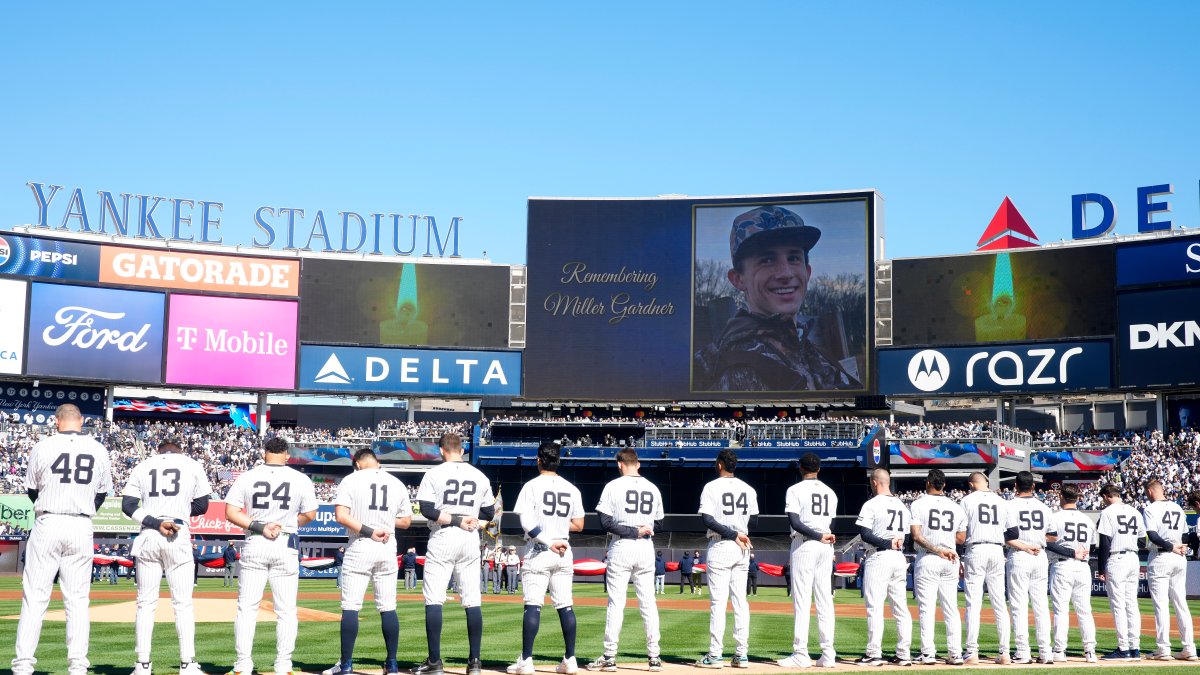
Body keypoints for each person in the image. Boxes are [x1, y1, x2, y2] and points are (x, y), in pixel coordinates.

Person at [696, 204, 859, 391]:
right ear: (739, 279)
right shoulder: (740, 364)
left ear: (807, 272)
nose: (785, 273)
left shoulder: (810, 351)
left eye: (793, 258)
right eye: (767, 260)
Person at [11, 403, 113, 675]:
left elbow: (32, 490)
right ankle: (78, 666)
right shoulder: (98, 449)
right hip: (80, 523)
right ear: (81, 420)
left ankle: (23, 666)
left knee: (35, 598)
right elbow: (101, 495)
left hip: (49, 520)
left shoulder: (42, 446)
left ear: (57, 421)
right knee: (78, 600)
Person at [223, 436, 319, 675]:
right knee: (286, 610)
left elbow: (230, 512)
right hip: (285, 541)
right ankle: (283, 665)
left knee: (247, 608)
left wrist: (260, 526)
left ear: (264, 453)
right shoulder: (300, 478)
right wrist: (285, 523)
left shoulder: (248, 476)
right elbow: (310, 514)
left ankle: (243, 665)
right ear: (287, 455)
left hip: (256, 540)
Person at [120, 438, 213, 675]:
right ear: (179, 450)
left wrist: (157, 521)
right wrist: (177, 512)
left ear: (159, 451)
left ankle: (142, 665)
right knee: (182, 604)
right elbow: (202, 506)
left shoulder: (143, 465)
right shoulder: (191, 464)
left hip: (149, 532)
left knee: (145, 604)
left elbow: (128, 506)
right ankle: (187, 664)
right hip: (178, 531)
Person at [320, 448, 413, 675]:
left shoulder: (351, 480)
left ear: (358, 464)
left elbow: (341, 516)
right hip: (387, 545)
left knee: (351, 606)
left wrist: (370, 528)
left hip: (361, 543)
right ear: (376, 461)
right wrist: (384, 520)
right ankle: (391, 664)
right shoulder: (396, 482)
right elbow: (406, 522)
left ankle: (346, 665)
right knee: (388, 607)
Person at [412, 432, 496, 675]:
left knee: (434, 599)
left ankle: (435, 662)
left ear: (441, 450)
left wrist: (457, 520)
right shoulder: (479, 475)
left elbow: (427, 509)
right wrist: (471, 521)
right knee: (472, 600)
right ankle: (475, 663)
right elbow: (489, 512)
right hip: (470, 537)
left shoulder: (435, 473)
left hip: (444, 534)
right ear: (461, 450)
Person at [506, 441, 585, 675]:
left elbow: (527, 523)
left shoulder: (531, 486)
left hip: (540, 548)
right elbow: (579, 524)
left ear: (539, 460)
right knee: (565, 606)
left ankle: (527, 661)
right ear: (558, 461)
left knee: (533, 605)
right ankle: (570, 659)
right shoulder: (572, 488)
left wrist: (548, 539)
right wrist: (557, 529)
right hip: (564, 549)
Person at [586, 448, 664, 672]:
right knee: (648, 603)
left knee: (616, 603)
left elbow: (605, 522)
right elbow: (659, 523)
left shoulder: (613, 486)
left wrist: (632, 531)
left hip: (622, 545)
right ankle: (654, 657)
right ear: (637, 464)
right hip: (646, 548)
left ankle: (610, 657)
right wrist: (644, 529)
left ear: (620, 464)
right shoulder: (653, 487)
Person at [695, 449, 758, 669]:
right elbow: (755, 521)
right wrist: (739, 533)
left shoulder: (711, 487)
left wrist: (731, 533)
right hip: (742, 546)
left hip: (721, 544)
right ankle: (741, 655)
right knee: (741, 602)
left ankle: (715, 655)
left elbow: (707, 519)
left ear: (720, 464)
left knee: (718, 603)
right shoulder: (748, 489)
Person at [778, 452, 838, 669]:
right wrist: (822, 536)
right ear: (819, 469)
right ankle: (828, 653)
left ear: (801, 468)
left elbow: (795, 522)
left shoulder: (794, 490)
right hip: (825, 545)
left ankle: (801, 653)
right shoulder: (830, 492)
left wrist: (818, 536)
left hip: (805, 543)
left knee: (802, 600)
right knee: (825, 600)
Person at [909, 468, 967, 666]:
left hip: (929, 558)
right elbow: (961, 538)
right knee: (951, 608)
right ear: (944, 485)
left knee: (927, 608)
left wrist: (936, 548)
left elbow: (916, 536)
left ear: (928, 483)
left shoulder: (918, 504)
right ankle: (955, 653)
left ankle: (928, 654)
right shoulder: (957, 507)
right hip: (951, 558)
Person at [854, 468, 912, 666]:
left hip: (879, 556)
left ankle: (874, 653)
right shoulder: (902, 506)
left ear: (874, 482)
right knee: (900, 607)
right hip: (898, 557)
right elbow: (905, 535)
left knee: (874, 607)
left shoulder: (871, 504)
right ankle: (904, 654)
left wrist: (886, 544)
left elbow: (865, 534)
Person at [959, 471, 1011, 665]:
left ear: (971, 484)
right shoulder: (1002, 501)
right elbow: (1011, 531)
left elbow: (961, 532)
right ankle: (1005, 652)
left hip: (977, 547)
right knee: (999, 603)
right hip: (997, 549)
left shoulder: (967, 500)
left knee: (973, 602)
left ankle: (972, 651)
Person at [1141, 480, 1196, 661]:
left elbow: (1153, 535)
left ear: (1150, 491)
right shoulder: (1178, 508)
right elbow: (1187, 534)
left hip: (1162, 556)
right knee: (1181, 603)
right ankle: (1189, 648)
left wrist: (1171, 546)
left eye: (1146, 492)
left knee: (1161, 604)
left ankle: (1163, 648)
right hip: (1179, 557)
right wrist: (1181, 547)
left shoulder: (1151, 509)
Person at [1004, 470, 1055, 664]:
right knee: (1041, 605)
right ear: (1033, 486)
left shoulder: (1010, 506)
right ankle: (1046, 652)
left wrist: (1026, 544)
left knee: (1018, 605)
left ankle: (1023, 652)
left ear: (1015, 486)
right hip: (1039, 555)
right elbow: (1053, 536)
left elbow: (1008, 537)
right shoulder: (1044, 507)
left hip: (1020, 554)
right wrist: (1037, 540)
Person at [1046, 484, 1097, 663]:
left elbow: (1049, 543)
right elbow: (1093, 546)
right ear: (1077, 498)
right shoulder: (1087, 520)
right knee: (1084, 610)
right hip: (1083, 567)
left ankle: (1059, 651)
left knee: (1061, 610)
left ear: (1061, 497)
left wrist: (1070, 552)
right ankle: (1090, 651)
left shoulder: (1055, 518)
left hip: (1063, 566)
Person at [1097, 484, 1145, 661]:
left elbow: (1105, 542)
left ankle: (1123, 649)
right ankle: (1135, 648)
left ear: (1107, 496)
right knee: (1131, 604)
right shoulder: (1135, 512)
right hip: (1133, 558)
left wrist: (1101, 569)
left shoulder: (1108, 512)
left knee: (1118, 605)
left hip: (1117, 558)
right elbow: (1142, 541)